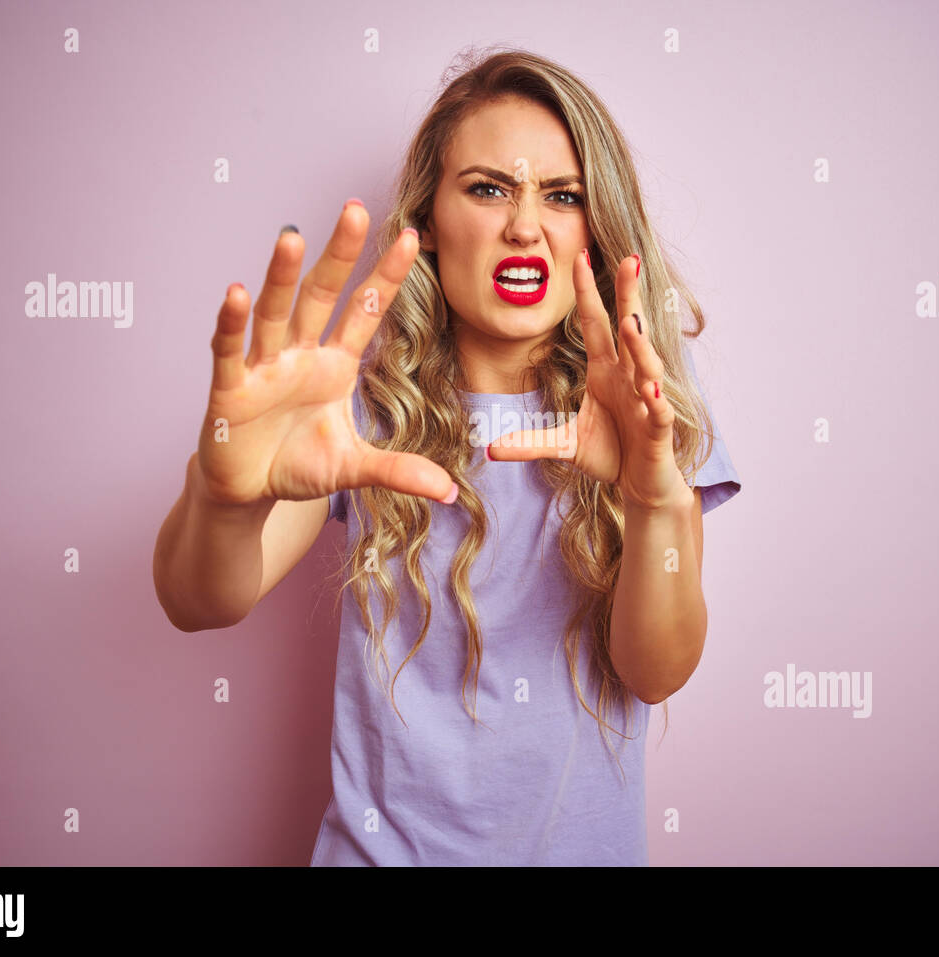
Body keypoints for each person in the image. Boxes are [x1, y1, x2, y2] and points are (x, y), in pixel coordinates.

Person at [152, 47, 742, 866]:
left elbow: (656, 670)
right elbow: (198, 599)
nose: (525, 225)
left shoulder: (648, 411)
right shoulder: (356, 413)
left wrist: (653, 497)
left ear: (594, 230)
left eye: (561, 195)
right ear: (428, 220)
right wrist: (222, 496)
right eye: (489, 187)